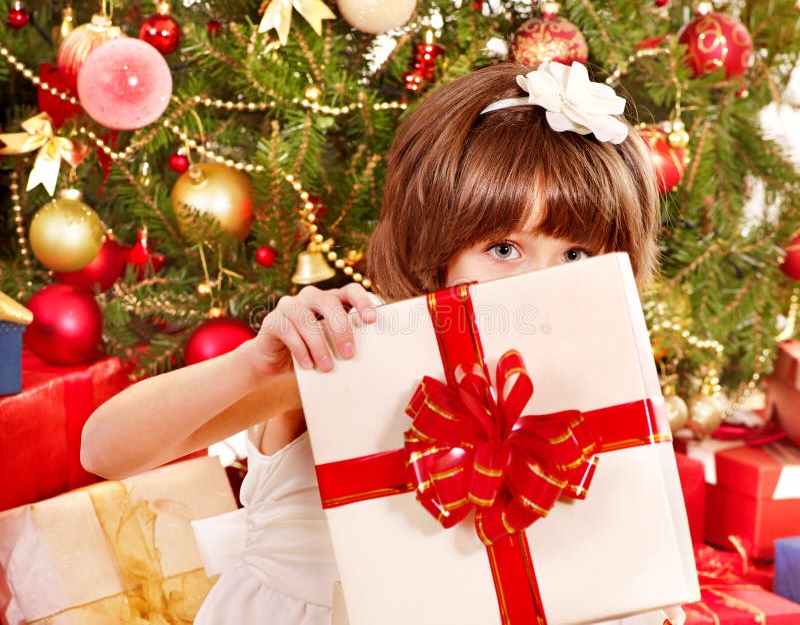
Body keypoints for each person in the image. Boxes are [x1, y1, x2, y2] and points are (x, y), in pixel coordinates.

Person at [81, 60, 683, 625]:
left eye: (575, 254)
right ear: (439, 241)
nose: (538, 283)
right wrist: (250, 365)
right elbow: (104, 450)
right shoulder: (353, 353)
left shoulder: (587, 384)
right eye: (504, 249)